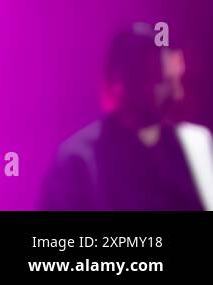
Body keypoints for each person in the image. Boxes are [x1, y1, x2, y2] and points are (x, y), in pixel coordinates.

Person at [37, 22, 212, 210]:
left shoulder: (197, 144)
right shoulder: (78, 161)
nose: (178, 95)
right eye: (162, 82)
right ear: (121, 82)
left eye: (176, 81)